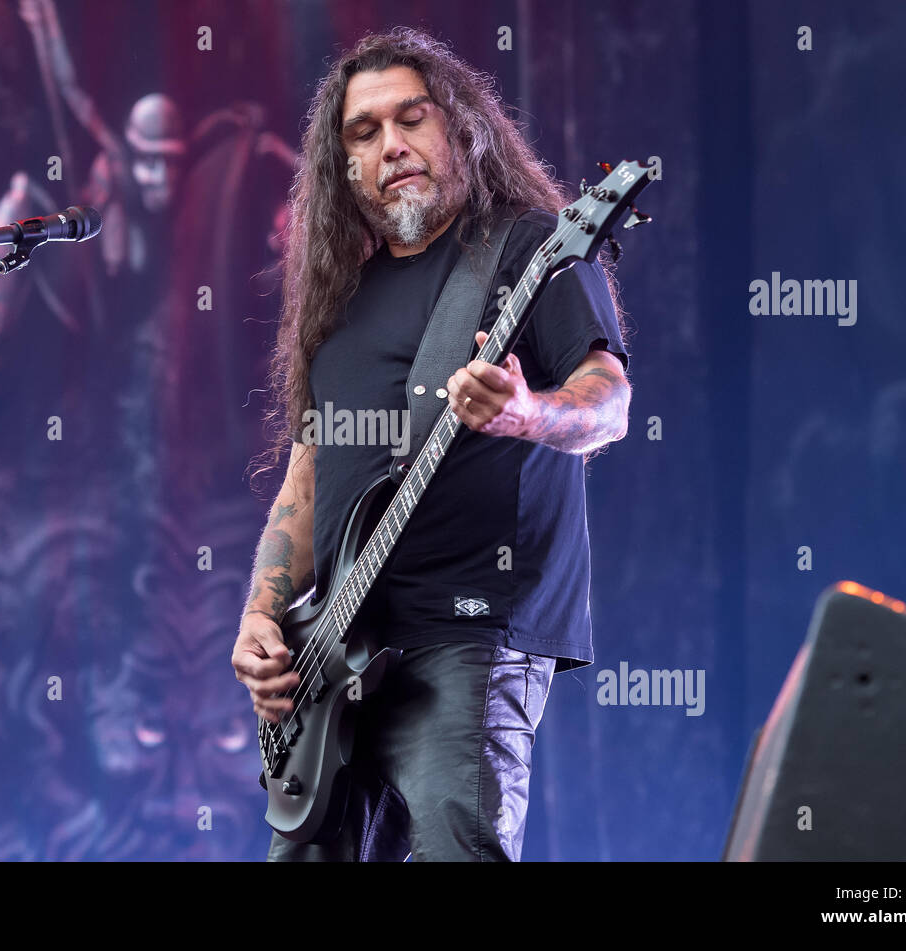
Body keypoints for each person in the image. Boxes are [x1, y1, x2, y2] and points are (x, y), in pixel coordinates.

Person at [231, 27, 632, 862]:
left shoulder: (531, 249)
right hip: (334, 658)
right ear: (343, 165)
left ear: (463, 127)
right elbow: (312, 471)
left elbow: (609, 403)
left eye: (412, 119)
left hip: (469, 634)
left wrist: (529, 413)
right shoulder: (341, 300)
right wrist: (262, 614)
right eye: (364, 132)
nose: (392, 146)